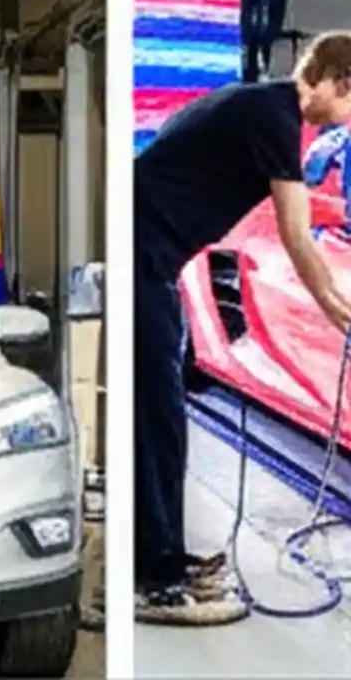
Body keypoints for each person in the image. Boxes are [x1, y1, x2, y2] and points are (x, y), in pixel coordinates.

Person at [134, 31, 351, 625]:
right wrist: (337, 309)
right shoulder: (273, 117)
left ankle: (164, 558)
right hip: (142, 261)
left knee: (162, 418)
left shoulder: (259, 105)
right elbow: (296, 231)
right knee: (155, 421)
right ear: (336, 81)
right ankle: (153, 580)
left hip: (154, 263)